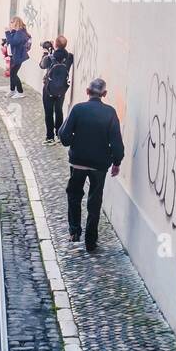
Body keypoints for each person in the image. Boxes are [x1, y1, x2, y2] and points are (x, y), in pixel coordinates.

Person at [57, 77, 124, 253]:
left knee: (74, 195)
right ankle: (90, 241)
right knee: (95, 201)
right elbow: (116, 142)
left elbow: (64, 136)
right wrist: (117, 162)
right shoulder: (110, 113)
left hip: (78, 162)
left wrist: (74, 141)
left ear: (87, 92)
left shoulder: (78, 109)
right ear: (104, 94)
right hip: (99, 165)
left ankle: (74, 232)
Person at [38, 35, 74, 143]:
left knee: (48, 113)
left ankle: (50, 137)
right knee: (59, 111)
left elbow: (41, 65)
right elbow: (63, 57)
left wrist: (46, 52)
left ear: (56, 45)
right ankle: (59, 134)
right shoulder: (69, 57)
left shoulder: (49, 58)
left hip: (48, 89)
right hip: (61, 90)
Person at [2, 17, 32, 98]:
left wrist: (7, 32)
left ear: (16, 23)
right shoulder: (17, 31)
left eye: (11, 22)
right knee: (12, 74)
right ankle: (12, 90)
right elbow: (11, 41)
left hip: (18, 57)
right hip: (13, 56)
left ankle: (20, 92)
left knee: (13, 74)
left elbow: (13, 42)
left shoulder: (20, 33)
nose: (10, 24)